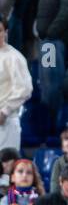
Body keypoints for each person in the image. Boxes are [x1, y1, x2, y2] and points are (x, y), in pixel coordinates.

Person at [0, 17, 30, 153]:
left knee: (5, 170)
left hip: (5, 122)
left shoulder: (14, 57)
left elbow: (24, 89)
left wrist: (4, 112)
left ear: (6, 32)